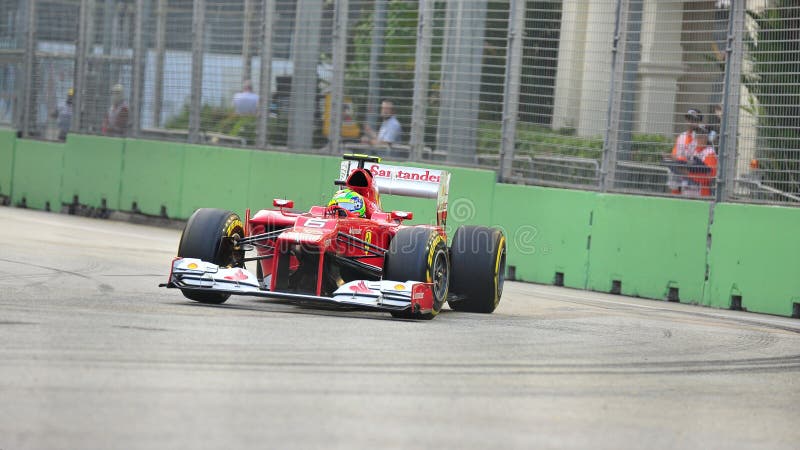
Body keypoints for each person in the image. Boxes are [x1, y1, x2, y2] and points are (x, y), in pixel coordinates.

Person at [663, 108, 702, 194]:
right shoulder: (681, 137)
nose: (690, 122)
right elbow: (675, 156)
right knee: (671, 168)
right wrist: (669, 156)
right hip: (681, 169)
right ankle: (674, 197)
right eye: (689, 119)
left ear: (699, 122)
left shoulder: (701, 137)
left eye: (694, 120)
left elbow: (698, 160)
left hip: (694, 172)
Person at [682, 124, 718, 197]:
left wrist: (689, 173)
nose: (699, 138)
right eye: (698, 135)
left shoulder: (710, 153)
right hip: (687, 192)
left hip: (701, 195)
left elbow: (709, 176)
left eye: (702, 135)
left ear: (708, 138)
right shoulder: (692, 150)